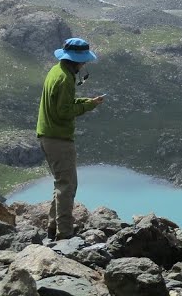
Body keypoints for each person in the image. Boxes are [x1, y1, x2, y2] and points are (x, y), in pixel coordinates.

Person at [36, 37, 105, 240]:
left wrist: (87, 101)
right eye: (83, 61)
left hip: (47, 135)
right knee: (68, 185)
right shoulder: (65, 79)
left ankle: (52, 228)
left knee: (60, 183)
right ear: (76, 60)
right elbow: (64, 111)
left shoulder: (56, 71)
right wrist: (88, 106)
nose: (84, 64)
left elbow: (62, 103)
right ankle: (64, 234)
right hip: (58, 138)